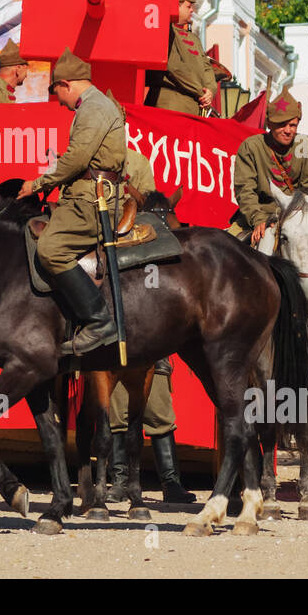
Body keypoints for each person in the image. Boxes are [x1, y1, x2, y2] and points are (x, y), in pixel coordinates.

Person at [17, 48, 125, 357]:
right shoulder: (93, 107)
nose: (59, 101)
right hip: (87, 194)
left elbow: (76, 160)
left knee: (50, 249)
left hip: (92, 200)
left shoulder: (92, 109)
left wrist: (37, 183)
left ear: (66, 84)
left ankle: (99, 321)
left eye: (57, 93)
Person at [107, 148, 194, 504]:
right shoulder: (120, 243)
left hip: (152, 345)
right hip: (116, 341)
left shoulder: (137, 162)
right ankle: (118, 481)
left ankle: (170, 481)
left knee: (158, 411)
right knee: (114, 411)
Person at [227, 87, 308, 247]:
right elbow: (245, 190)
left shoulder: (306, 144)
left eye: (292, 125)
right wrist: (258, 219)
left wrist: (294, 218)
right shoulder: (251, 146)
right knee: (226, 251)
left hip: (298, 217)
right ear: (270, 124)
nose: (288, 131)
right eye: (281, 125)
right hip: (259, 214)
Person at [144, 0, 216, 116]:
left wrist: (210, 91)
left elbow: (207, 68)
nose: (192, 11)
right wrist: (201, 92)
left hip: (194, 107)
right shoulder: (164, 31)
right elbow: (174, 66)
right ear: (175, 6)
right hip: (169, 105)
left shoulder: (194, 39)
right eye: (188, 7)